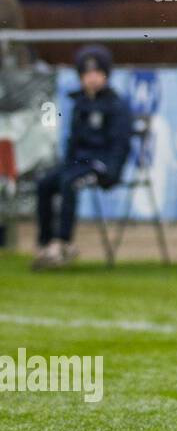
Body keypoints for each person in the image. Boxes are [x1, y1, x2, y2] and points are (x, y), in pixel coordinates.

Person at [32, 44, 131, 269]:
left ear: (106, 75)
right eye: (87, 73)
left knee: (70, 183)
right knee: (44, 184)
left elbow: (120, 145)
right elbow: (73, 142)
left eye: (97, 73)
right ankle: (45, 242)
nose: (92, 78)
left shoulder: (117, 105)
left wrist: (111, 172)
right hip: (77, 163)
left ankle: (63, 243)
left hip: (101, 165)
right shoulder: (80, 103)